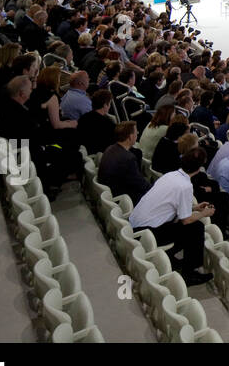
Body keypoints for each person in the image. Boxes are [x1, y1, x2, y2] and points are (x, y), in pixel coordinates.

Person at [128, 149, 215, 286]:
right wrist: (204, 214)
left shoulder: (170, 175)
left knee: (188, 226)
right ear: (199, 169)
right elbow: (186, 220)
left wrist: (194, 208)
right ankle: (189, 273)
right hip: (147, 232)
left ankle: (172, 257)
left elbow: (169, 204)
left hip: (135, 225)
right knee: (196, 228)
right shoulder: (185, 186)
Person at [77, 89, 118, 155]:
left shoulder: (83, 118)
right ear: (105, 105)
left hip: (86, 153)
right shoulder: (108, 124)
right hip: (102, 155)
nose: (110, 106)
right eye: (109, 103)